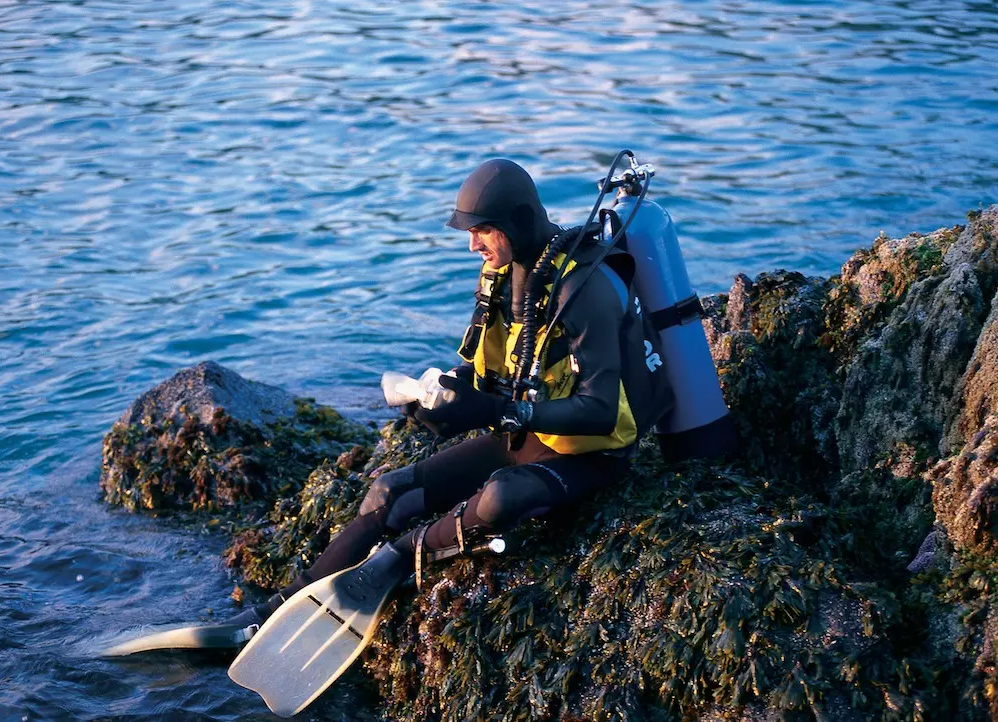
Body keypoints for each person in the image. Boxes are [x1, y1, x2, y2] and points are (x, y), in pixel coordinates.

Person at [231, 158, 671, 626]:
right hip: (524, 438)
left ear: (517, 222)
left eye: (481, 230)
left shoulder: (583, 289)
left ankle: (397, 560)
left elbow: (601, 411)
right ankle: (282, 607)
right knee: (389, 491)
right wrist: (446, 400)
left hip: (591, 457)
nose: (471, 245)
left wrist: (503, 411)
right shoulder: (501, 277)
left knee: (502, 498)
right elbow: (495, 370)